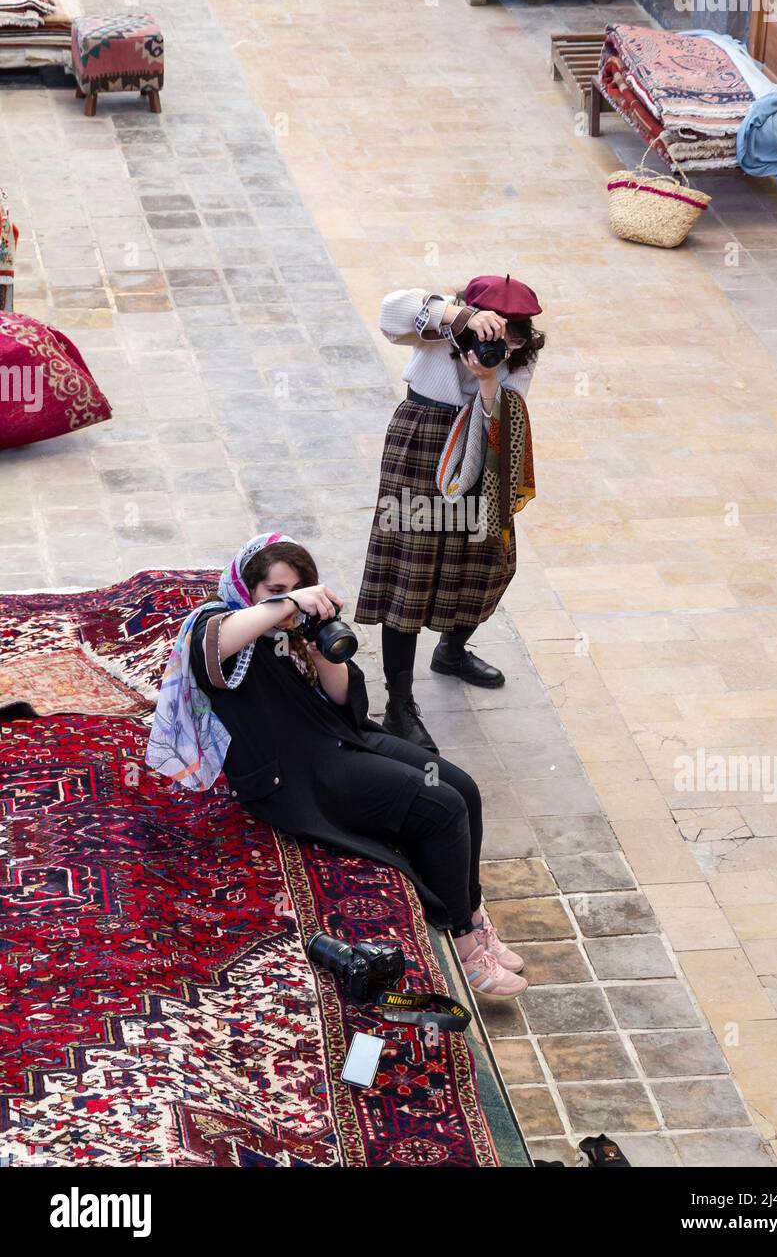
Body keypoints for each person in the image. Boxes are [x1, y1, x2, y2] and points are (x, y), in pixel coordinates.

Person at [146, 532, 528, 998]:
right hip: (296, 769)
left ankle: (471, 913)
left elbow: (345, 699)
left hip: (341, 736)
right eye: (274, 591)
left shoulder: (295, 630)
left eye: (297, 589)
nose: (287, 603)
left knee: (462, 788)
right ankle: (467, 948)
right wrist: (289, 605)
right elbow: (210, 648)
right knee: (441, 807)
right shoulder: (218, 623)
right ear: (248, 589)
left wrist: (318, 646)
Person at [355, 276, 544, 753]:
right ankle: (400, 705)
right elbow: (391, 307)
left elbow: (503, 418)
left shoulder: (517, 353)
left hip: (485, 444)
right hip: (421, 438)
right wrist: (458, 317)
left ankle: (451, 651)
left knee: (490, 563)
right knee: (410, 572)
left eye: (511, 333)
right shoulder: (438, 328)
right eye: (492, 328)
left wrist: (486, 378)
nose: (497, 341)